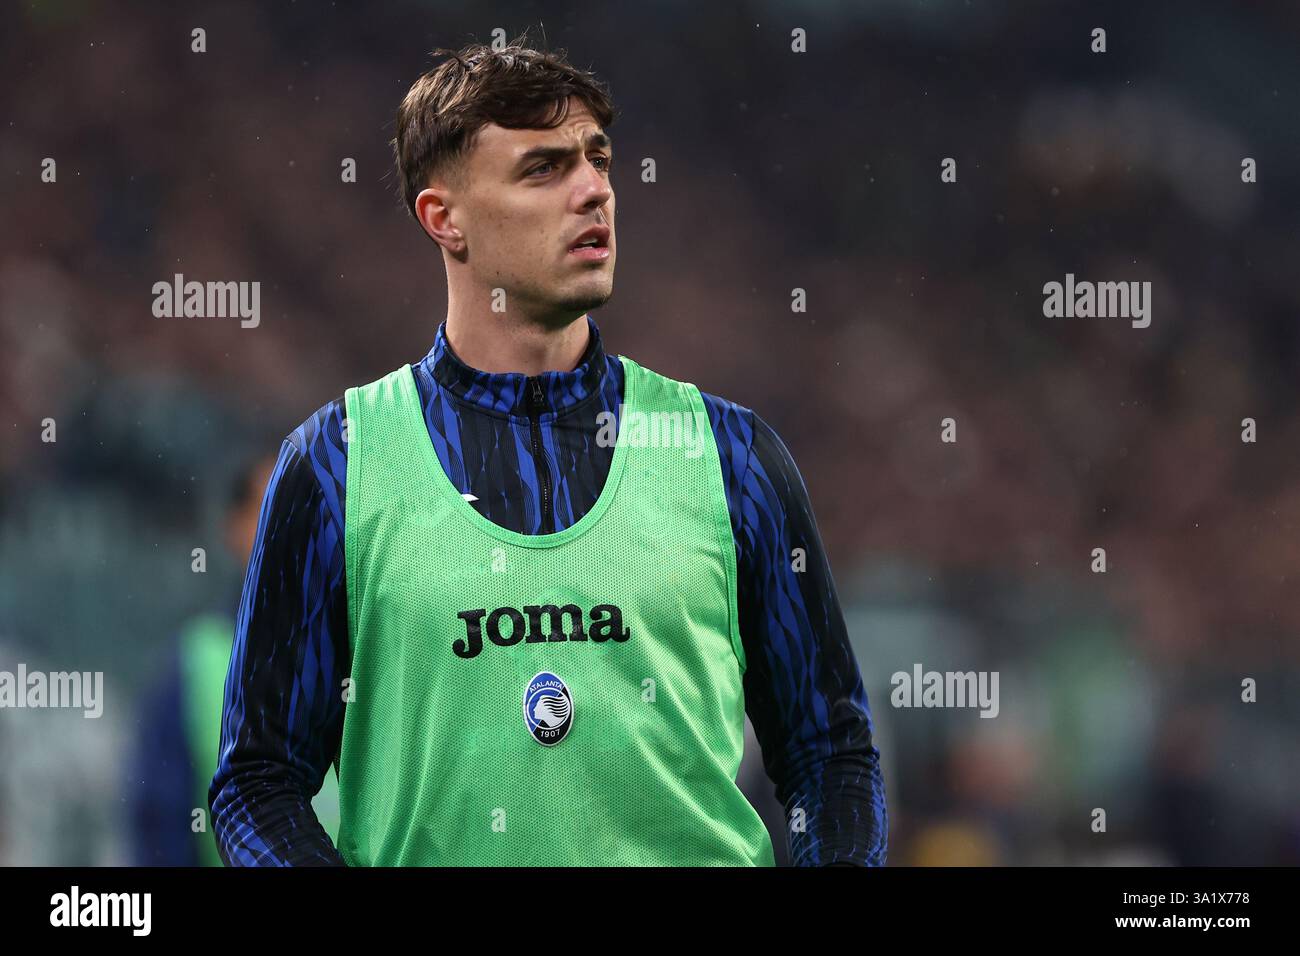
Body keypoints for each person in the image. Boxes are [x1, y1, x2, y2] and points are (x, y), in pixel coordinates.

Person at [211, 37, 886, 866]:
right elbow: (257, 784)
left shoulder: (731, 455)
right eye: (543, 169)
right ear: (443, 218)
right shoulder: (333, 467)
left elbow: (832, 757)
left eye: (597, 160)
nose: (594, 189)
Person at [131, 455, 340, 865]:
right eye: (273, 508)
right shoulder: (193, 665)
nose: (293, 527)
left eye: (312, 508)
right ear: (234, 527)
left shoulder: (375, 639)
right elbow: (162, 830)